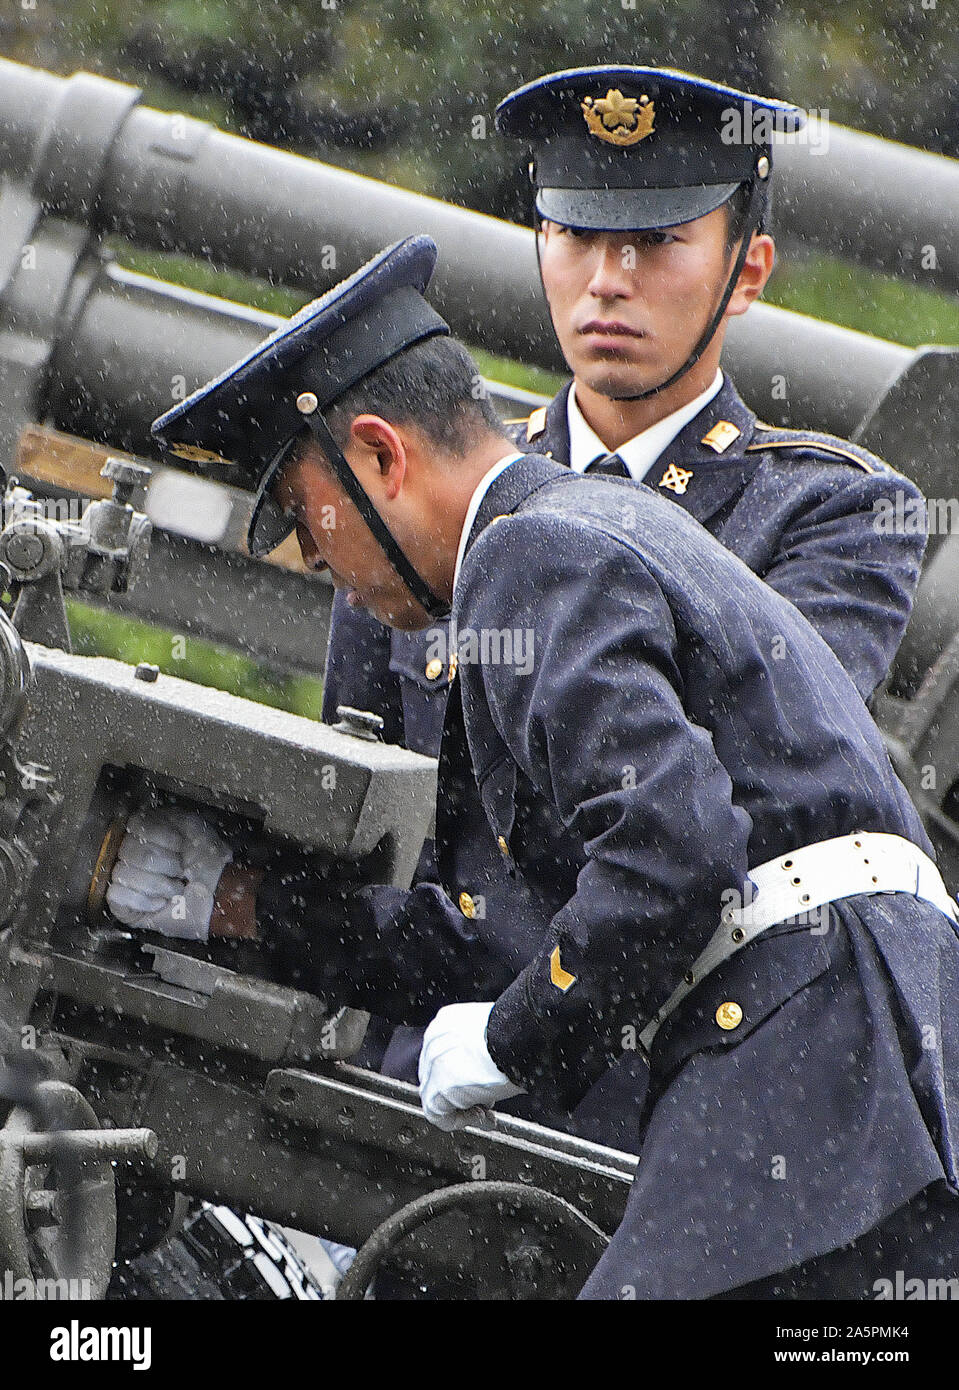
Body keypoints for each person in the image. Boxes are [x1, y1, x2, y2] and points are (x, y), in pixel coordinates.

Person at [109, 236, 959, 1299]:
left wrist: (515, 1036)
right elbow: (560, 894)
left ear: (381, 455)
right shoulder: (587, 527)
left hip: (810, 1050)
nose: (315, 561)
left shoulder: (526, 551)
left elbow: (674, 849)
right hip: (858, 1055)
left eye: (306, 517)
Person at [321, 66, 928, 1085]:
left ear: (746, 269)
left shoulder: (831, 513)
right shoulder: (432, 502)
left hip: (655, 1101)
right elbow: (352, 808)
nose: (607, 279)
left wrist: (528, 1029)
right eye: (575, 235)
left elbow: (734, 810)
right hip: (414, 1072)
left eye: (653, 242)